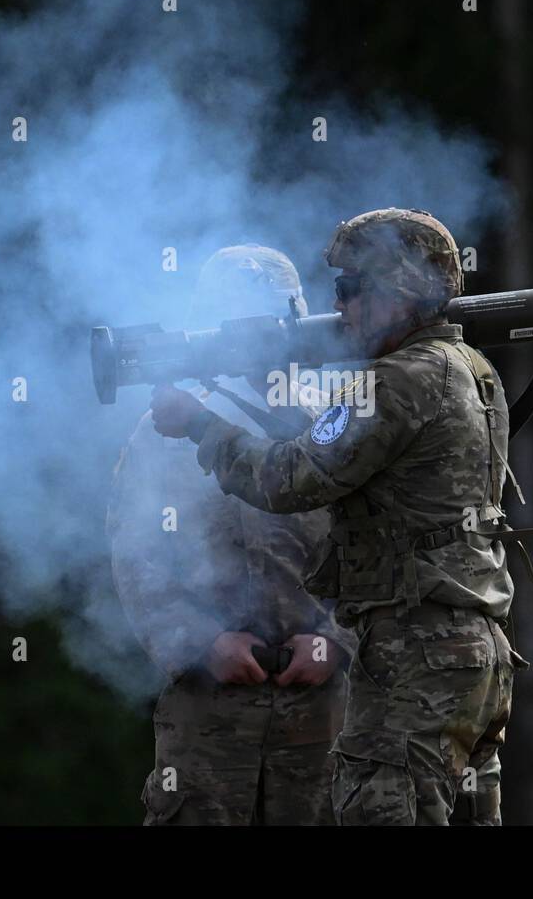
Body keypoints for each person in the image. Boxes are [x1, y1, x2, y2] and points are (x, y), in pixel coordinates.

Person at [150, 209, 525, 825]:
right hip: (470, 653)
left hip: (413, 658)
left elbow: (289, 479)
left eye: (351, 291)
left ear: (398, 293)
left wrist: (199, 424)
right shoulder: (470, 370)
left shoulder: (392, 383)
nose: (340, 309)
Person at [109, 245, 353, 825]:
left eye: (266, 316)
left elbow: (379, 547)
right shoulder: (164, 428)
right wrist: (201, 642)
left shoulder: (337, 420)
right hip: (209, 711)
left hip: (325, 710)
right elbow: (136, 556)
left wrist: (337, 642)